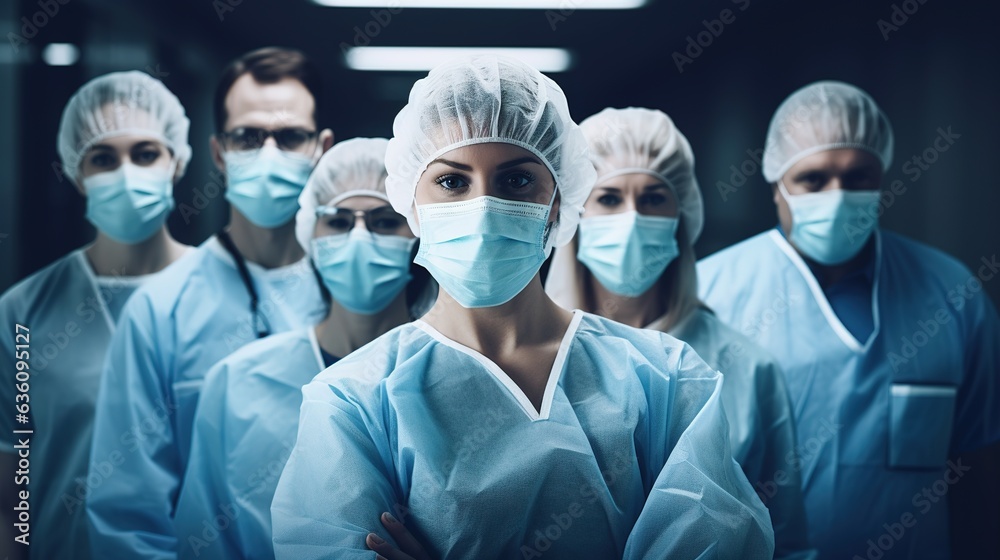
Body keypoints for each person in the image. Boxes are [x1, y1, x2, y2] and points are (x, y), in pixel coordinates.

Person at [270, 55, 774, 559]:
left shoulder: (665, 377)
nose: (484, 208)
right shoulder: (354, 399)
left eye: (516, 181)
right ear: (411, 205)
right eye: (452, 181)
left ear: (557, 202)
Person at [697, 81, 1000, 559]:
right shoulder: (710, 293)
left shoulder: (952, 292)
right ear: (776, 186)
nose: (837, 196)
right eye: (813, 179)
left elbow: (979, 462)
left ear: (882, 178)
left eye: (858, 177)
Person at [86, 47, 332, 558]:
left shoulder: (363, 296)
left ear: (321, 149)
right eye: (248, 137)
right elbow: (128, 517)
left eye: (290, 137)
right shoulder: (161, 310)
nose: (269, 154)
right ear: (219, 153)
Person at [544, 106, 816, 560]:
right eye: (609, 198)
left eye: (653, 199)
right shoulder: (536, 361)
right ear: (573, 215)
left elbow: (785, 540)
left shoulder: (748, 368)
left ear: (681, 216)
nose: (632, 218)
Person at [174, 137, 435, 560]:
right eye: (338, 221)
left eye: (386, 222)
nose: (359, 238)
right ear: (310, 232)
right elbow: (202, 541)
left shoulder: (453, 376)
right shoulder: (237, 383)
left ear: (420, 235)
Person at [0, 71, 192, 560]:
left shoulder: (229, 296)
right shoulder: (23, 313)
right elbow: (10, 492)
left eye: (145, 153)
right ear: (75, 171)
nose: (126, 174)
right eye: (103, 158)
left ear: (176, 161)